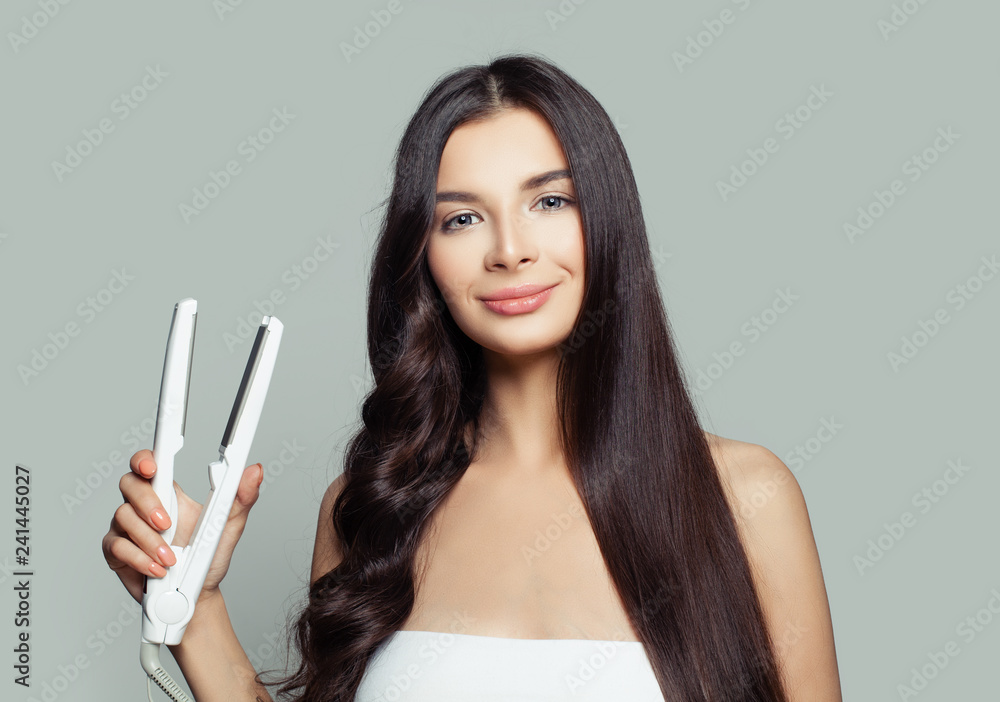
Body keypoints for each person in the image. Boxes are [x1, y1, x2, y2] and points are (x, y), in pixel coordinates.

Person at [102, 52, 843, 701]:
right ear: (422, 255)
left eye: (549, 201)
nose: (510, 250)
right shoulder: (371, 510)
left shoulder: (745, 498)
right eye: (461, 219)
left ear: (608, 223)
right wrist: (194, 609)